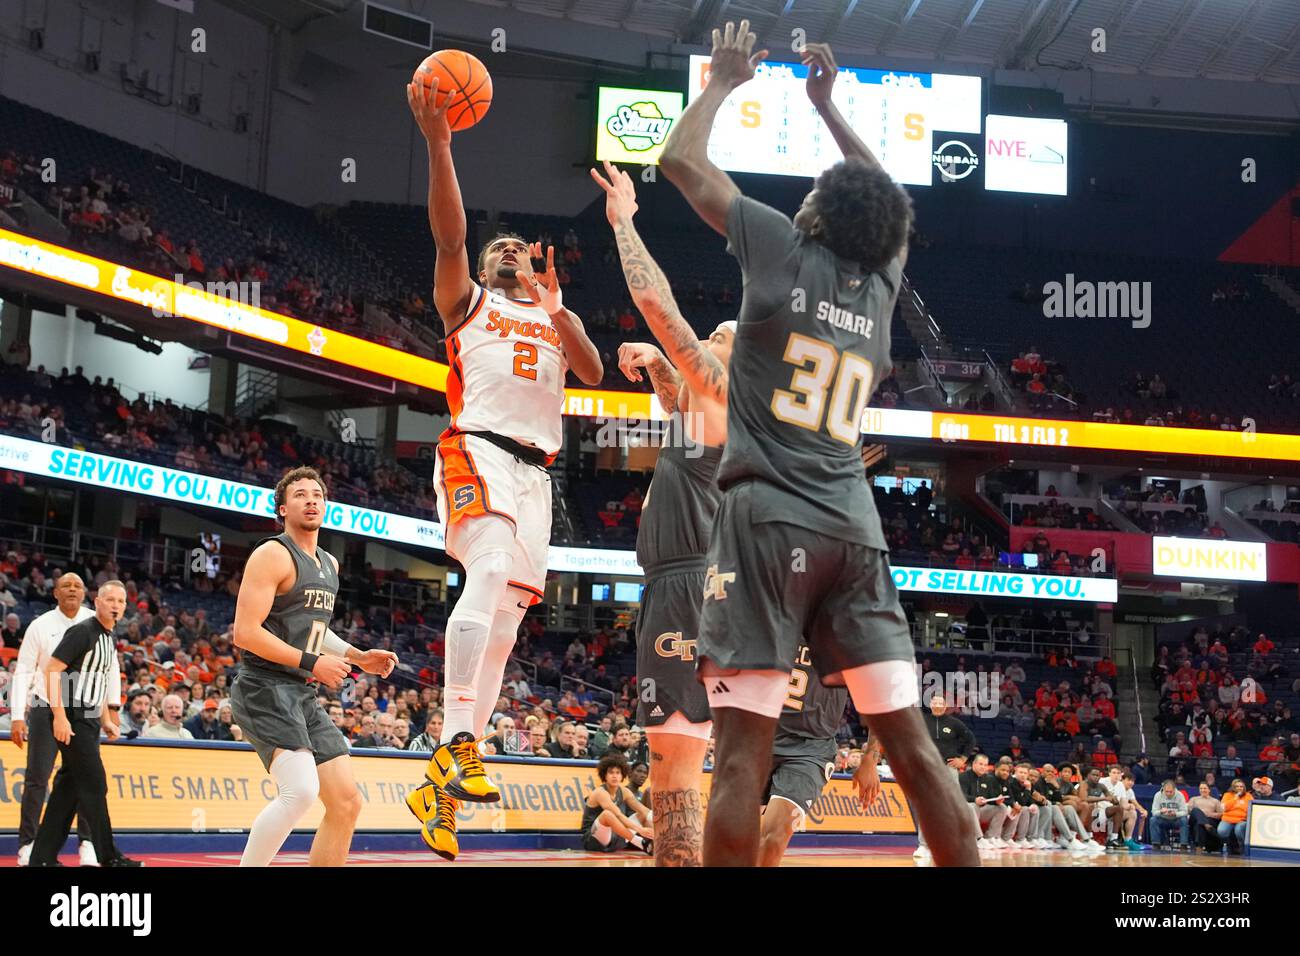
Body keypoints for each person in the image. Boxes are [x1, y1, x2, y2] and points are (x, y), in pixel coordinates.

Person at [659, 22, 977, 866]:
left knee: (738, 761)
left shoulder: (780, 246)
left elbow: (680, 163)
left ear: (817, 215)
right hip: (855, 528)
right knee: (915, 755)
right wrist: (828, 108)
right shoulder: (884, 280)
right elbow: (884, 193)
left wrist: (724, 81)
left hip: (766, 521)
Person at [404, 73, 603, 860]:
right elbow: (451, 238)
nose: (510, 253)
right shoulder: (469, 302)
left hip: (537, 475)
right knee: (484, 576)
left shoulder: (553, 315)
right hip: (476, 446)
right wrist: (439, 145)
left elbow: (591, 372)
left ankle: (441, 781)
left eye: (519, 248)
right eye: (501, 250)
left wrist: (559, 309)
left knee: (509, 626)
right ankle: (458, 737)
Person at [591, 158, 735, 867]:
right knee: (693, 763)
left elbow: (661, 308)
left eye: (720, 339)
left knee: (674, 770)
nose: (707, 339)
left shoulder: (726, 389)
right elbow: (678, 402)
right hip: (707, 584)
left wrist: (625, 225)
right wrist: (653, 365)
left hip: (687, 584)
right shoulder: (715, 411)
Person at [230, 467, 398, 866]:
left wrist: (357, 657)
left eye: (317, 494)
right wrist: (313, 663)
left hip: (301, 692)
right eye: (301, 494)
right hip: (264, 686)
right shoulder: (272, 553)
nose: (311, 500)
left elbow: (314, 631)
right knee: (301, 791)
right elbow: (245, 633)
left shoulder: (329, 563)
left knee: (345, 802)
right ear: (283, 508)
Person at [28, 581, 139, 867]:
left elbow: (97, 681)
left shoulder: (107, 637)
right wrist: (61, 717)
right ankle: (110, 857)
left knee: (69, 788)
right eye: (110, 599)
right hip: (73, 715)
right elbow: (52, 669)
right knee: (95, 784)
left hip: (89, 718)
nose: (115, 605)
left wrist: (105, 720)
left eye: (121, 601)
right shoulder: (83, 631)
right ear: (97, 602)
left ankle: (41, 858)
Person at [758, 645, 879, 866]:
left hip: (810, 749)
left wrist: (870, 758)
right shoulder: (770, 617)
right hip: (757, 737)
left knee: (774, 836)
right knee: (734, 836)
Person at [11, 573, 97, 866]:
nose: (72, 589)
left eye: (77, 586)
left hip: (83, 708)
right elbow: (23, 669)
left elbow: (108, 668)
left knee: (86, 778)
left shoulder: (96, 623)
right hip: (43, 705)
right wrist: (16, 716)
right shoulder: (40, 625)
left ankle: (87, 843)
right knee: (37, 777)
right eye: (66, 586)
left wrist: (110, 708)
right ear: (55, 593)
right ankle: (28, 844)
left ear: (85, 593)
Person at [580, 753, 654, 855]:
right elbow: (618, 815)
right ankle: (641, 843)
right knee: (607, 814)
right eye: (611, 773)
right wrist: (640, 830)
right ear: (604, 775)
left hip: (616, 838)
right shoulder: (600, 792)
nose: (615, 776)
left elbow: (644, 810)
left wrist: (662, 826)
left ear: (622, 775)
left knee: (643, 814)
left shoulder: (624, 791)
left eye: (618, 773)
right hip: (594, 839)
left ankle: (657, 842)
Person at [1149, 780, 1190, 848]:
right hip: (1163, 819)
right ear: (1163, 789)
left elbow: (1185, 811)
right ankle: (1156, 844)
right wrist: (1161, 811)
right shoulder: (1158, 795)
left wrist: (1176, 814)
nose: (1168, 793)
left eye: (1170, 792)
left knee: (1184, 820)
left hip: (1176, 819)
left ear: (1174, 790)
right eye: (1166, 792)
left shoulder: (1180, 795)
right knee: (1153, 820)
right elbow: (1154, 811)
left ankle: (1183, 844)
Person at [1217, 778, 1252, 853]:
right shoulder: (1227, 795)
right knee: (1221, 831)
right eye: (1237, 786)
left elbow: (1250, 808)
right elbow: (1224, 808)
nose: (1239, 788)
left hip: (1241, 820)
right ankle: (1228, 845)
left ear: (1244, 787)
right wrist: (1235, 799)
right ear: (1233, 787)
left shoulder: (1248, 796)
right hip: (1228, 819)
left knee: (1238, 830)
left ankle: (1243, 848)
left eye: (1241, 786)